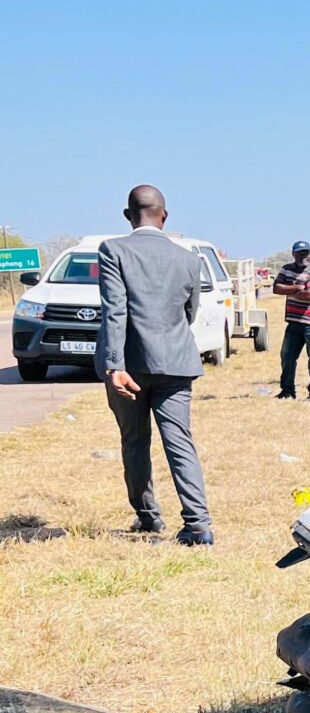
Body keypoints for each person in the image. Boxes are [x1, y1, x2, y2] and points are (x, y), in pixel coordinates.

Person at [95, 186, 212, 545]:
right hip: (176, 361)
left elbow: (115, 310)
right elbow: (190, 313)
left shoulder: (113, 250)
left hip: (129, 366)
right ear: (165, 215)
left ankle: (149, 518)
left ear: (128, 215)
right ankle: (198, 525)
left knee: (135, 441)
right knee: (180, 443)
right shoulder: (190, 259)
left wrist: (115, 365)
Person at [274, 239, 310, 401]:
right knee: (287, 356)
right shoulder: (286, 269)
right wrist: (297, 288)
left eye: (306, 253)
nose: (303, 257)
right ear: (293, 254)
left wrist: (288, 290)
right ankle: (287, 391)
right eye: (299, 253)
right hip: (294, 321)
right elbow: (276, 288)